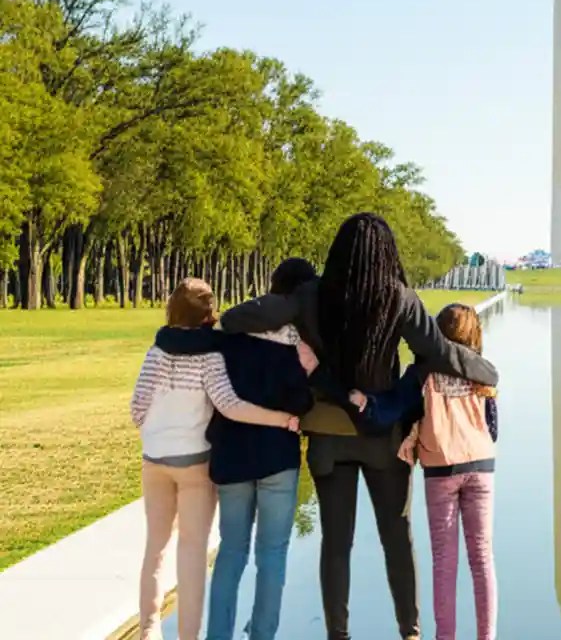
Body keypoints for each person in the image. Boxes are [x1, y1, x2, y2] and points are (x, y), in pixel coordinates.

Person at [219, 213, 498, 640]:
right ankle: (410, 629)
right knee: (396, 538)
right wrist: (485, 372)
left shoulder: (310, 295)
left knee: (336, 543)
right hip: (383, 439)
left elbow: (240, 318)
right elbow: (439, 351)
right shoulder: (399, 298)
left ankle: (339, 634)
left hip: (329, 436)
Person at [131, 278, 301, 640]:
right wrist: (281, 419)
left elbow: (137, 409)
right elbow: (230, 406)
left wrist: (160, 429)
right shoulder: (210, 356)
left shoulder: (155, 352)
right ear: (209, 314)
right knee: (193, 552)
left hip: (155, 460)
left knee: (156, 546)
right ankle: (190, 636)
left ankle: (148, 628)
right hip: (194, 462)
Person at [348, 304, 498, 640]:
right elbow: (492, 426)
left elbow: (394, 407)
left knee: (445, 563)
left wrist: (363, 402)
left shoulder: (422, 374)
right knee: (483, 559)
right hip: (482, 466)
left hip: (442, 469)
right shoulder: (482, 372)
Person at [206, 258, 321, 640]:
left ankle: (218, 634)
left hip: (232, 454)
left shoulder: (229, 337)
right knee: (272, 556)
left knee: (231, 552)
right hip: (277, 458)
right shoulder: (295, 346)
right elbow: (301, 402)